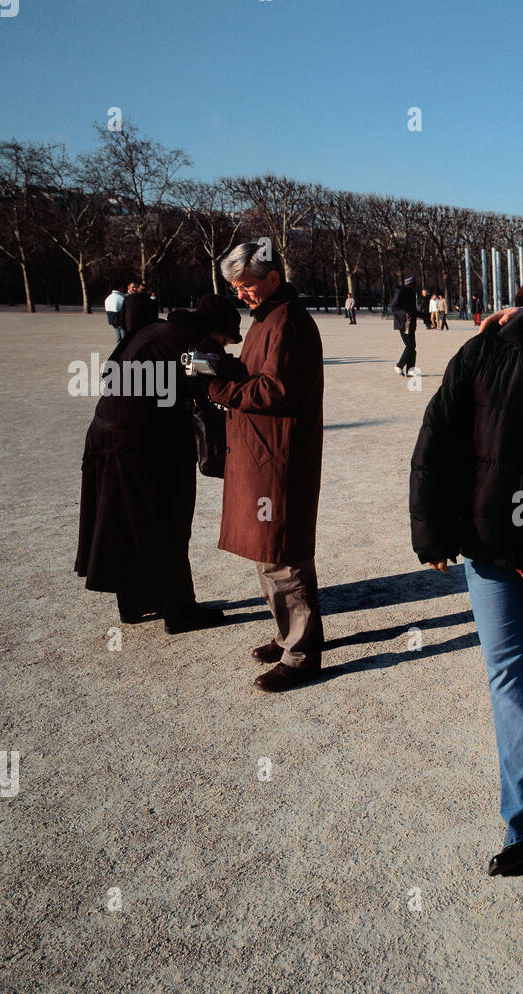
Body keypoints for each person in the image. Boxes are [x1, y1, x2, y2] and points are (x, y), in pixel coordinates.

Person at [410, 286, 523, 875]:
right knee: (513, 672)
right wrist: (431, 528)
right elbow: (436, 436)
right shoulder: (487, 347)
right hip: (490, 543)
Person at [76, 293, 239, 633]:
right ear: (214, 330)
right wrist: (238, 367)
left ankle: (133, 604)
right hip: (141, 444)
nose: (224, 345)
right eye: (226, 338)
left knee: (124, 524)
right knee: (171, 522)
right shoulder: (187, 342)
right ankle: (180, 610)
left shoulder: (156, 331)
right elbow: (212, 370)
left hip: (107, 435)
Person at [209, 243, 325, 692]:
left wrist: (221, 388)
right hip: (264, 456)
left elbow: (276, 389)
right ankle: (287, 636)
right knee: (268, 553)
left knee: (284, 555)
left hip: (280, 458)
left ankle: (301, 654)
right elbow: (258, 373)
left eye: (246, 285)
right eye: (235, 288)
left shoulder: (289, 322)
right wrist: (225, 367)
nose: (241, 295)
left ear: (272, 278)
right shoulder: (268, 318)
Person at [391, 276, 419, 376]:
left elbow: (413, 311)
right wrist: (404, 313)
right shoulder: (400, 292)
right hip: (404, 322)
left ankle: (410, 369)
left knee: (412, 346)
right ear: (410, 284)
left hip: (410, 323)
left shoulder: (411, 293)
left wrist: (426, 318)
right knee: (410, 345)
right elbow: (394, 308)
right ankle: (399, 365)